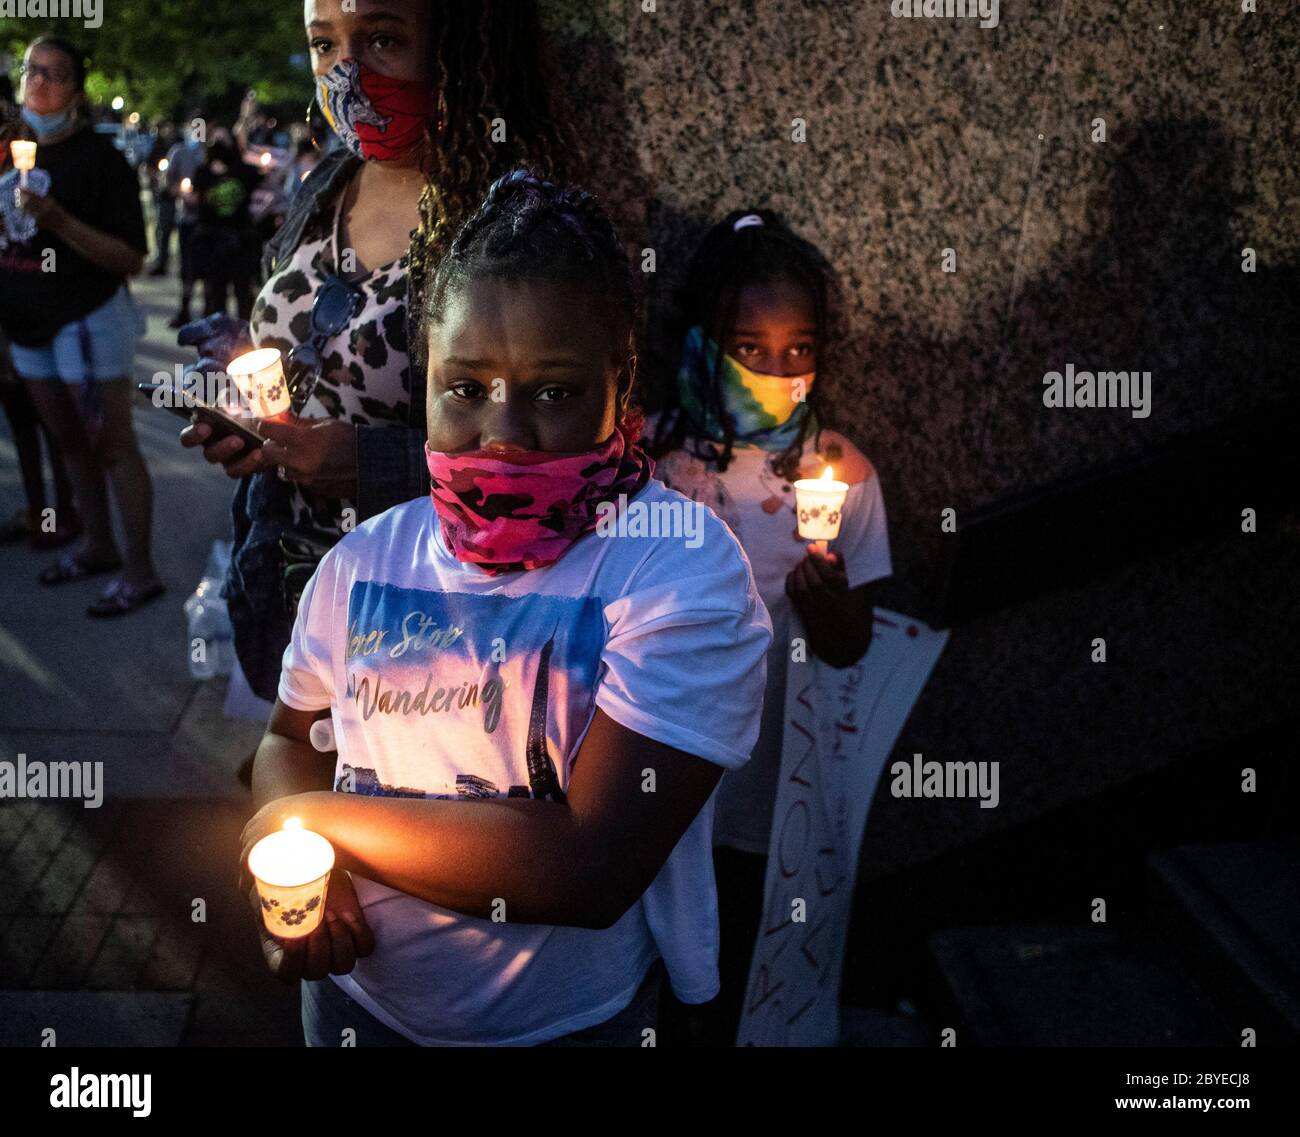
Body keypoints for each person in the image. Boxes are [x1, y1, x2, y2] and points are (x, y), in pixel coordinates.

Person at [238, 169, 774, 1047]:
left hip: (568, 1028)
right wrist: (305, 866)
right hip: (356, 1009)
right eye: (466, 387)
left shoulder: (677, 568)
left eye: (554, 392)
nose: (504, 432)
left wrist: (312, 821)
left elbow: (587, 866)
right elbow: (289, 740)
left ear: (620, 380)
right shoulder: (364, 560)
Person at [177, 0, 572, 752]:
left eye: (384, 39)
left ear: (456, 49)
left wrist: (360, 462)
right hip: (290, 585)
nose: (347, 74)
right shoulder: (328, 182)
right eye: (324, 45)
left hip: (426, 624)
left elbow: (544, 459)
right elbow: (295, 343)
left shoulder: (510, 219)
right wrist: (239, 386)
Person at [646, 210, 894, 1044]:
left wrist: (828, 604)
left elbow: (855, 642)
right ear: (700, 340)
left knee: (743, 961)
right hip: (655, 773)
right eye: (749, 349)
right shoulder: (645, 462)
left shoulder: (843, 472)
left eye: (800, 349)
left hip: (771, 794)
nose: (778, 371)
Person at [0, 36, 163, 615]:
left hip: (88, 324)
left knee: (111, 445)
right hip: (27, 329)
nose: (39, 82)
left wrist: (60, 221)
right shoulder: (12, 151)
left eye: (55, 73)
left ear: (76, 89)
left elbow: (130, 259)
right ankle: (97, 548)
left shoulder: (101, 161)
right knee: (69, 445)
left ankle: (140, 572)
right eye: (31, 71)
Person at [0, 89, 78, 548]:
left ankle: (62, 513)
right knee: (22, 426)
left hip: (37, 318)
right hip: (9, 320)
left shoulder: (31, 183)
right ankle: (39, 511)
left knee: (53, 426)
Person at [189, 126, 261, 320]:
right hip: (212, 241)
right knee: (215, 294)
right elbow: (196, 198)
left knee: (243, 293)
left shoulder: (244, 170)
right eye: (216, 140)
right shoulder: (203, 172)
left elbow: (263, 178)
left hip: (240, 240)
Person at [162, 114, 205, 327]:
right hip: (186, 219)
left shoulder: (209, 152)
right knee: (186, 267)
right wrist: (181, 192)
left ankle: (208, 311)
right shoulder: (179, 152)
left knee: (206, 267)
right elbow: (168, 182)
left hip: (207, 221)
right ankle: (185, 309)